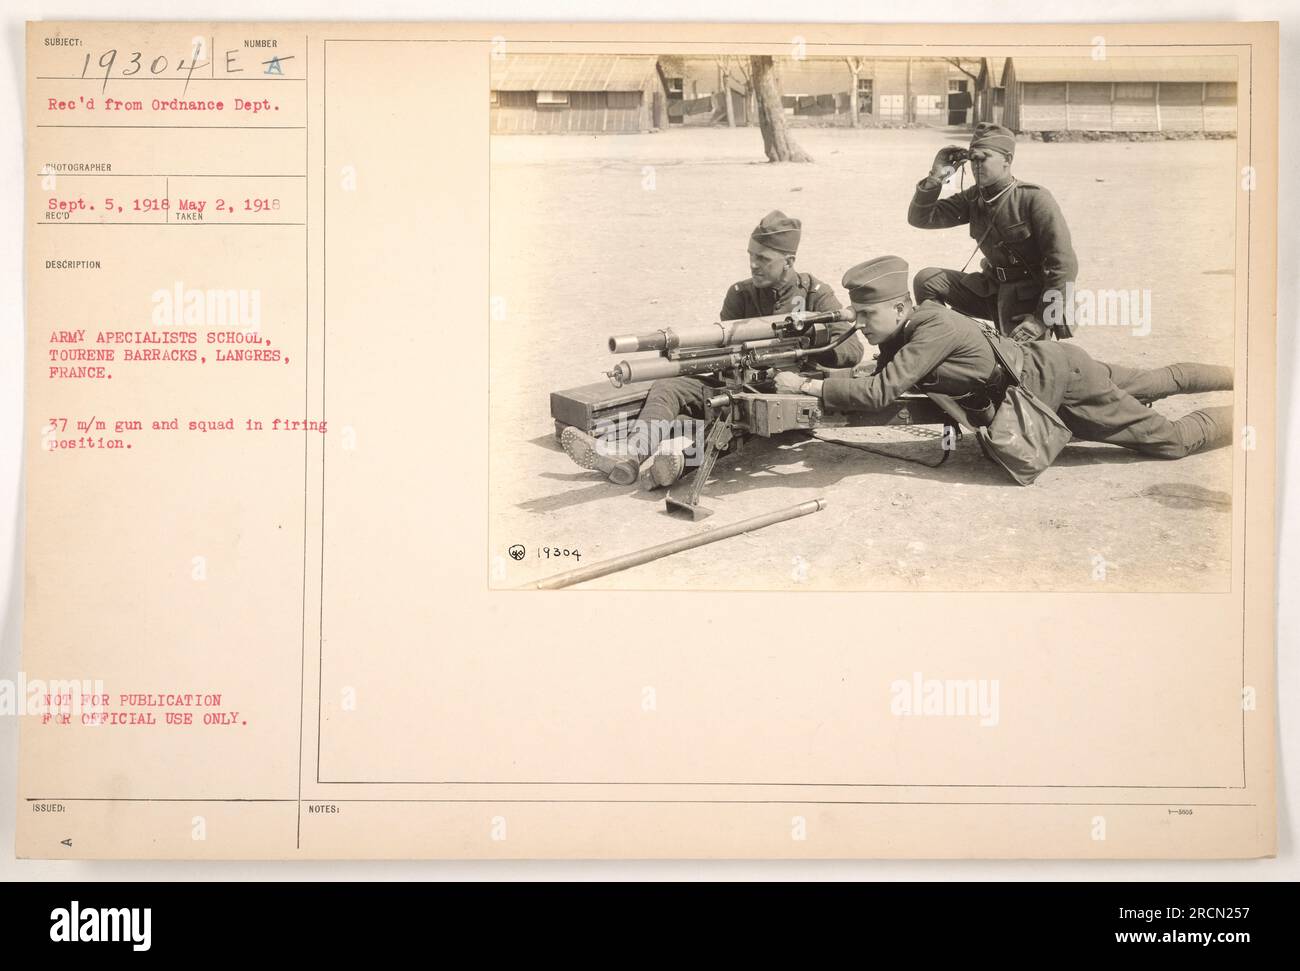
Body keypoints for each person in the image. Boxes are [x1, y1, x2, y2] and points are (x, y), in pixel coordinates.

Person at [773, 256, 1233, 467]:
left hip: (1056, 386)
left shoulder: (930, 329)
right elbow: (874, 374)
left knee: (1169, 441)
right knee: (1154, 382)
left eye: (866, 313)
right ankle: (1243, 375)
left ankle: (1258, 414)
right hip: (1054, 363)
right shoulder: (909, 326)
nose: (860, 321)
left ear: (897, 308)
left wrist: (804, 387)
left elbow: (877, 393)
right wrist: (819, 372)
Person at [561, 210, 866, 487]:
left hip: (785, 393)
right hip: (738, 380)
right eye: (751, 255)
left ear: (788, 262)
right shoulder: (741, 294)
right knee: (670, 387)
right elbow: (725, 353)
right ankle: (631, 455)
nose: (753, 264)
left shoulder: (816, 295)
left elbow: (853, 350)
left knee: (739, 419)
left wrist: (811, 339)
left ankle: (677, 464)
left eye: (764, 259)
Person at [907, 122, 1079, 342]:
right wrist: (936, 177)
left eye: (983, 158)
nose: (976, 165)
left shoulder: (1034, 199)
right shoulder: (974, 197)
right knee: (927, 280)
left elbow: (1063, 266)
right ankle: (939, 340)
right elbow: (921, 218)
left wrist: (1040, 320)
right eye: (972, 159)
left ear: (1007, 160)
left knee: (1017, 367)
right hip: (991, 289)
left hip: (1028, 300)